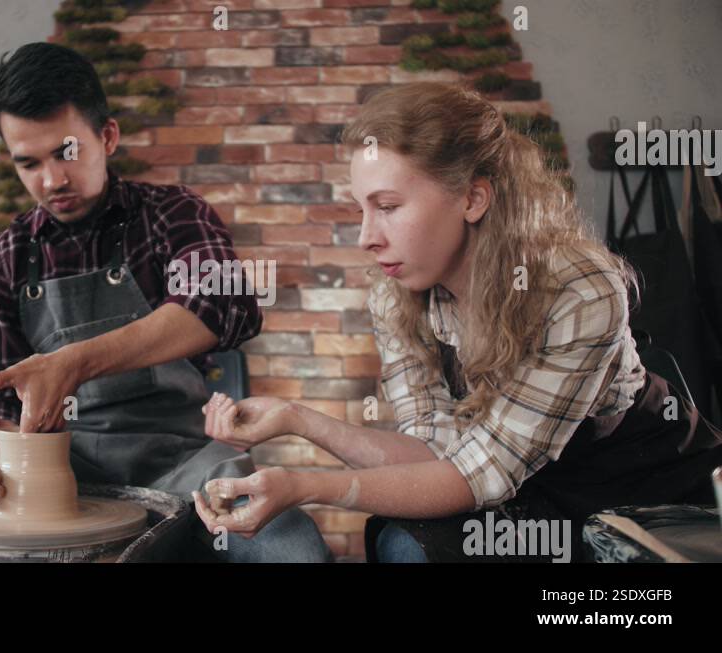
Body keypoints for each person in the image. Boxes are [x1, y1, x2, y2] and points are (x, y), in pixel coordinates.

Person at [191, 82, 722, 563]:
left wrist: (303, 485)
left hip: (636, 497)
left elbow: (481, 475)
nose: (366, 237)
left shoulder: (577, 288)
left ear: (472, 198)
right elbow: (437, 455)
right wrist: (294, 418)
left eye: (389, 205)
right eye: (361, 210)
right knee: (405, 543)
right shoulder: (397, 295)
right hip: (524, 496)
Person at [0, 42, 330, 563]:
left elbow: (225, 304)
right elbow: (0, 401)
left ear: (108, 136)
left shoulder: (171, 215)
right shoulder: (2, 258)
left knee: (290, 546)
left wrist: (74, 362)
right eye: (28, 163)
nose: (51, 180)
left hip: (180, 460)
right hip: (61, 466)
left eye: (66, 153)